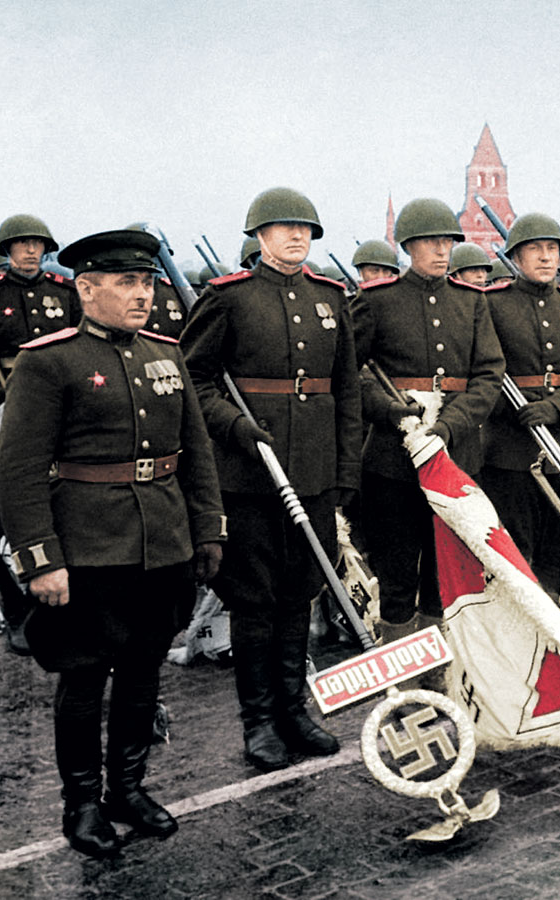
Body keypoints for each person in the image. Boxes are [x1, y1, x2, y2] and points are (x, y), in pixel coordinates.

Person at [0, 229, 225, 857]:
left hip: (161, 544)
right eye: (126, 282)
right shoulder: (49, 361)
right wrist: (41, 558)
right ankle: (83, 804)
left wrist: (207, 529)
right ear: (85, 289)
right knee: (84, 679)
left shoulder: (166, 354)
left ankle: (128, 788)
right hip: (87, 549)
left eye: (146, 282)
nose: (142, 294)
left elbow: (196, 454)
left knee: (144, 672)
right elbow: (14, 472)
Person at [182, 187, 364, 773]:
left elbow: (346, 392)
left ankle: (294, 711)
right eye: (283, 228)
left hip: (311, 473)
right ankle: (258, 721)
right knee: (255, 603)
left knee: (300, 594)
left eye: (305, 229)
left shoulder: (330, 298)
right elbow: (194, 382)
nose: (296, 237)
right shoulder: (229, 299)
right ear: (258, 236)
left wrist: (343, 474)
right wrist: (235, 425)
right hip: (249, 478)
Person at [358, 197, 504, 648]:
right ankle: (402, 663)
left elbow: (488, 374)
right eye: (431, 243)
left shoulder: (472, 303)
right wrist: (387, 409)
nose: (443, 252)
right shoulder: (376, 303)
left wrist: (452, 425)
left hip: (455, 455)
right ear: (407, 246)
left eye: (447, 242)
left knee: (446, 568)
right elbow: (349, 375)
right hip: (393, 460)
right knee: (398, 568)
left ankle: (439, 657)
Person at [0, 214, 82, 654]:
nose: (30, 251)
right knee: (5, 513)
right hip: (4, 414)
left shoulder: (64, 292)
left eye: (37, 244)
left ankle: (68, 607)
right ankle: (19, 614)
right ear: (7, 251)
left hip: (64, 411)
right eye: (21, 244)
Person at [478, 212, 560, 596]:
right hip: (511, 450)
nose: (545, 257)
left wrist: (557, 408)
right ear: (516, 258)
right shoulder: (493, 304)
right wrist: (513, 410)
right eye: (534, 249)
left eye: (552, 249)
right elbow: (485, 371)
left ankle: (552, 624)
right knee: (515, 547)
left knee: (556, 546)